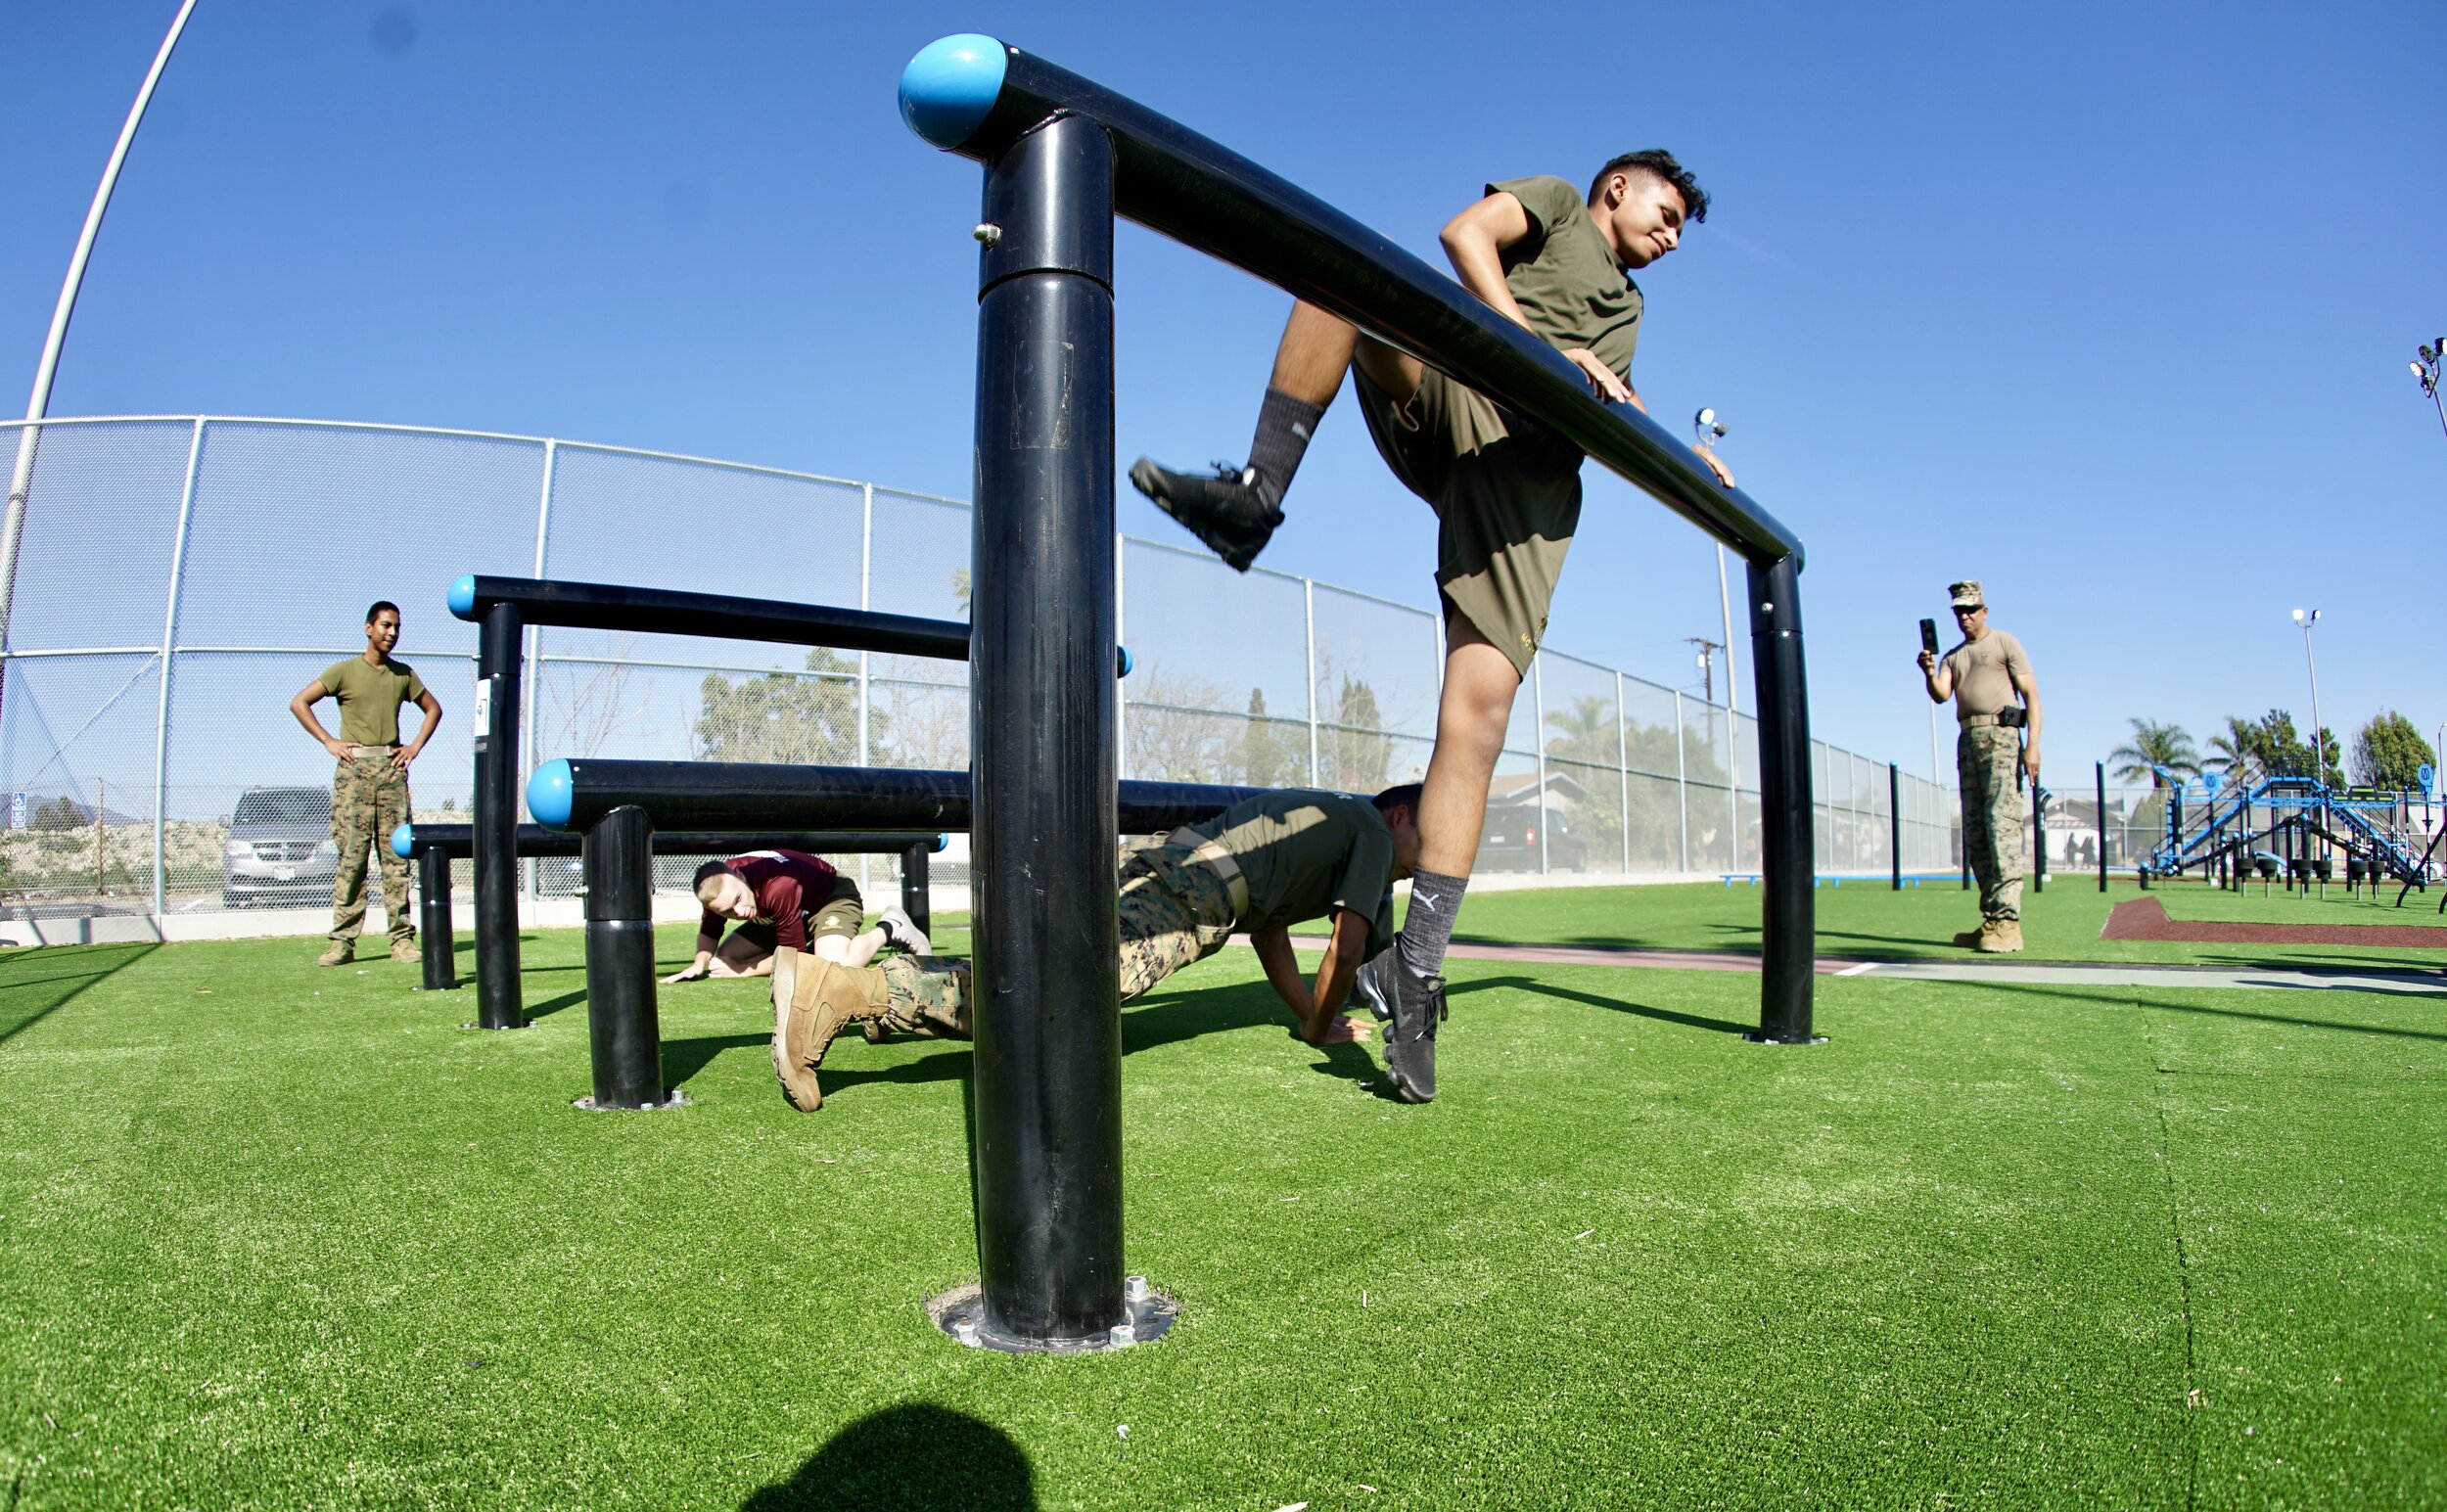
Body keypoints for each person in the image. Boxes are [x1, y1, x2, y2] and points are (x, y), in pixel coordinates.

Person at [1127, 153, 1735, 1102]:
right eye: (1666, 211)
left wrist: (1687, 460)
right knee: (1342, 278)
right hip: (1464, 395)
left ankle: (1416, 965)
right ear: (1619, 186)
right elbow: (1463, 236)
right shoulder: (1561, 209)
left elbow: (1611, 401)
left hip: (1526, 480)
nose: (1671, 233)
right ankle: (1256, 493)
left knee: (1476, 725)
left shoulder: (1629, 309)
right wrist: (1533, 341)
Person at [765, 785, 1425, 1113]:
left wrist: (1308, 1011)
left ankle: (855, 992)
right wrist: (1316, 1023)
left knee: (1049, 975)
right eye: (1429, 841)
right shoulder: (1370, 827)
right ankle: (843, 992)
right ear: (1399, 815)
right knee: (1062, 993)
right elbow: (1351, 940)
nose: (1421, 868)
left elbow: (1271, 931)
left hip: (1170, 866)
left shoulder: (1328, 826)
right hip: (1192, 895)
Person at [289, 601, 442, 966]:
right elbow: (299, 703)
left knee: (396, 859)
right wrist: (329, 741)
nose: (392, 633)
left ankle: (401, 941)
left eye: (397, 627)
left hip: (391, 774)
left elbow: (433, 709)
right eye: (386, 626)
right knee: (352, 859)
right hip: (354, 776)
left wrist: (414, 747)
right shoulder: (343, 671)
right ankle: (342, 942)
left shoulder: (403, 674)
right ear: (368, 628)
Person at [1917, 581, 2042, 952]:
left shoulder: (2004, 643)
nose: (1965, 616)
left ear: (1985, 610)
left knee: (2000, 825)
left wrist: (2032, 747)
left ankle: (2009, 923)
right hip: (1968, 742)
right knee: (1976, 832)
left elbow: (2033, 697)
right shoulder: (1953, 657)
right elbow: (1942, 694)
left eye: (1971, 609)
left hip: (2002, 739)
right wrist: (1927, 671)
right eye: (1959, 611)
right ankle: (1991, 919)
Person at [664, 848, 929, 983]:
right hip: (784, 913)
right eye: (728, 912)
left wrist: (746, 971)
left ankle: (889, 926)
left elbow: (794, 957)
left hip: (829, 896)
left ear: (741, 877)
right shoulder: (716, 886)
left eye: (738, 900)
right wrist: (699, 964)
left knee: (837, 966)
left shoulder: (778, 885)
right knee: (723, 959)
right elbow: (710, 929)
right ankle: (821, 944)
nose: (740, 912)